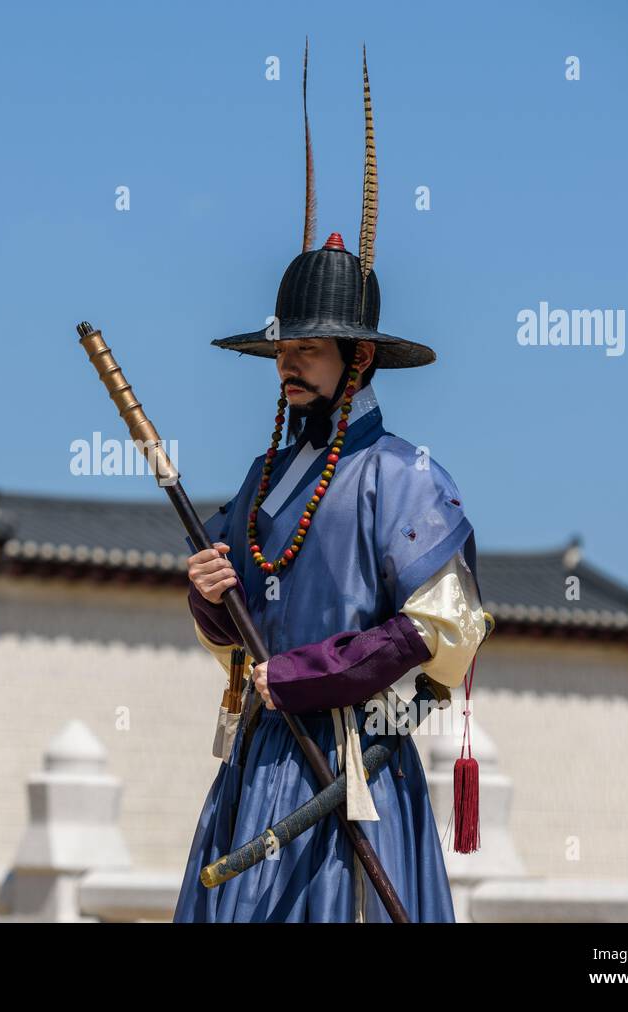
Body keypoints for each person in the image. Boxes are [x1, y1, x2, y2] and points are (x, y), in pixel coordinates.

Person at [173, 47, 486, 922]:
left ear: (358, 357)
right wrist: (207, 598)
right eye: (283, 350)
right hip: (261, 764)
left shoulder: (404, 475)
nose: (289, 366)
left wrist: (308, 675)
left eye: (307, 349)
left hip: (354, 770)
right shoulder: (264, 476)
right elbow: (239, 628)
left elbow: (440, 629)